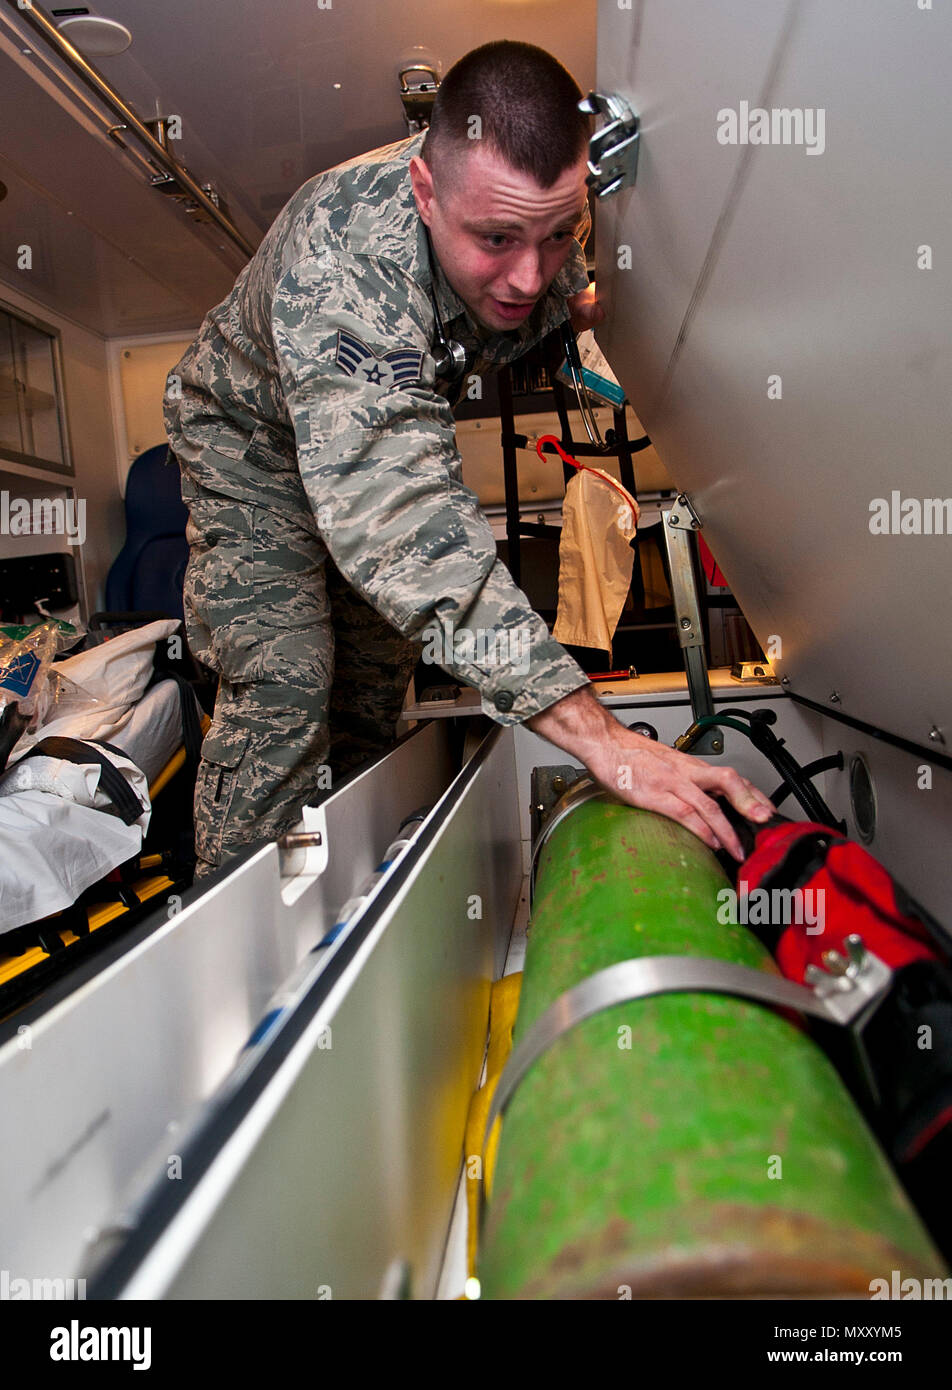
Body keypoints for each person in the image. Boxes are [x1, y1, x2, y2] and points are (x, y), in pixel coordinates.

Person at [165, 40, 774, 877]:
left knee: (373, 695)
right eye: (496, 239)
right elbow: (403, 533)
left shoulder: (540, 224)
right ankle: (234, 948)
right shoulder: (349, 264)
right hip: (252, 453)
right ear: (425, 191)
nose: (528, 275)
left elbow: (550, 295)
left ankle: (347, 904)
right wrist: (603, 742)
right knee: (287, 685)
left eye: (557, 235)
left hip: (363, 453)